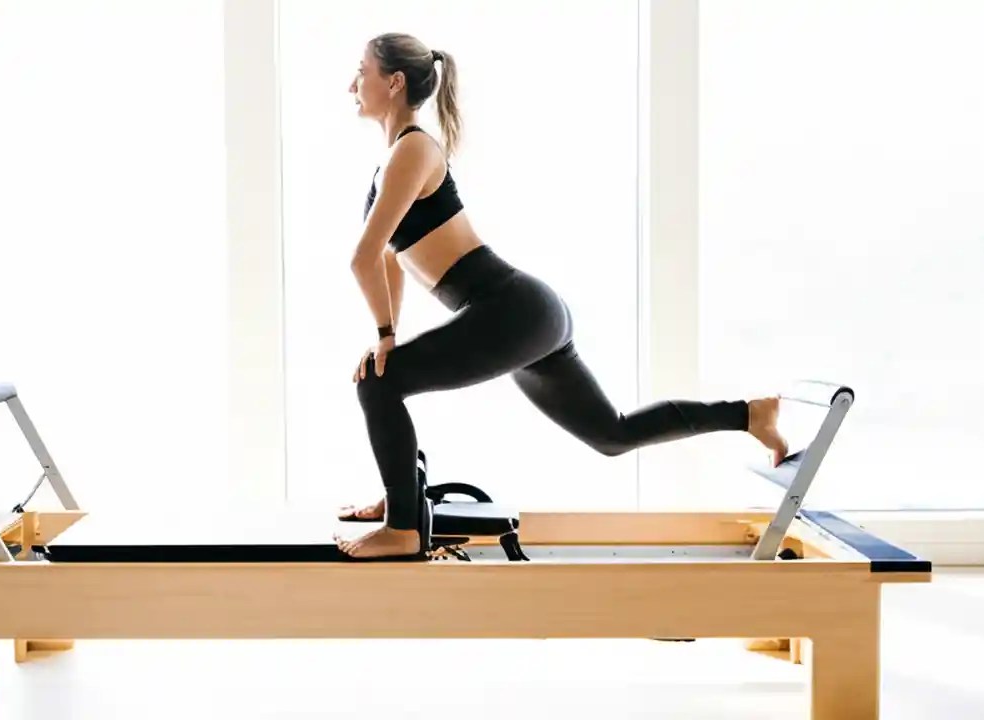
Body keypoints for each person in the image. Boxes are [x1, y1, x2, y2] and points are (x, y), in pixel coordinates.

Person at [333, 32, 788, 561]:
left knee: (380, 385)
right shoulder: (395, 159)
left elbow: (362, 257)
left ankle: (403, 526)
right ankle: (750, 416)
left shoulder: (413, 149)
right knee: (611, 435)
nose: (352, 83)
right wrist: (388, 337)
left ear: (394, 82)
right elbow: (389, 263)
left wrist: (387, 341)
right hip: (521, 314)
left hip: (509, 310)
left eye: (360, 70)